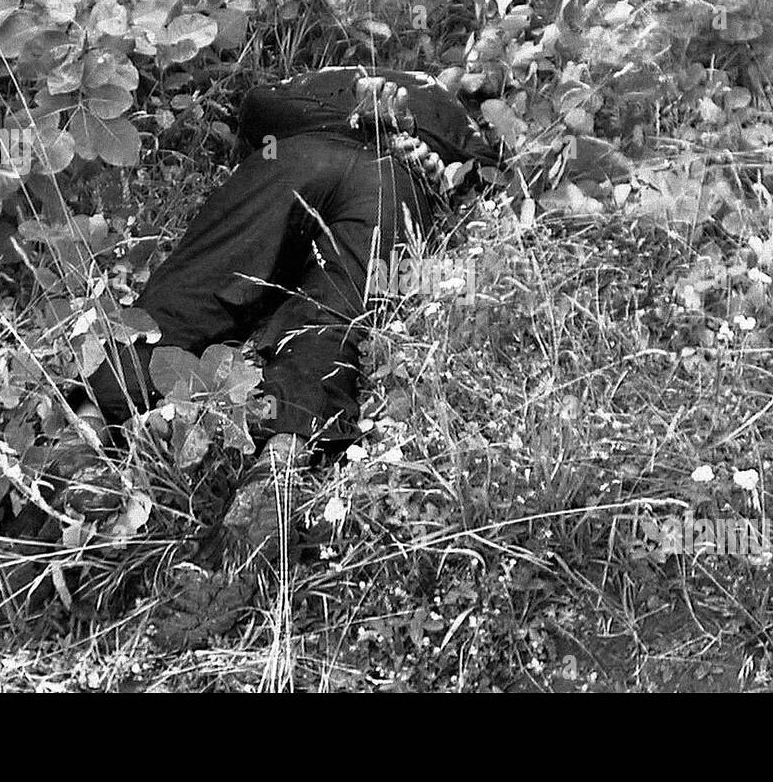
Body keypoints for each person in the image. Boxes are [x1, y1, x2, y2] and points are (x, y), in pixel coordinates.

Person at [57, 67, 496, 637]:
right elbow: (478, 184)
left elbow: (259, 110)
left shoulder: (395, 98)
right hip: (358, 176)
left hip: (307, 164)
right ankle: (274, 474)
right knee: (335, 319)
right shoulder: (394, 94)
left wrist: (425, 159)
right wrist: (368, 117)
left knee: (198, 291)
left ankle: (85, 443)